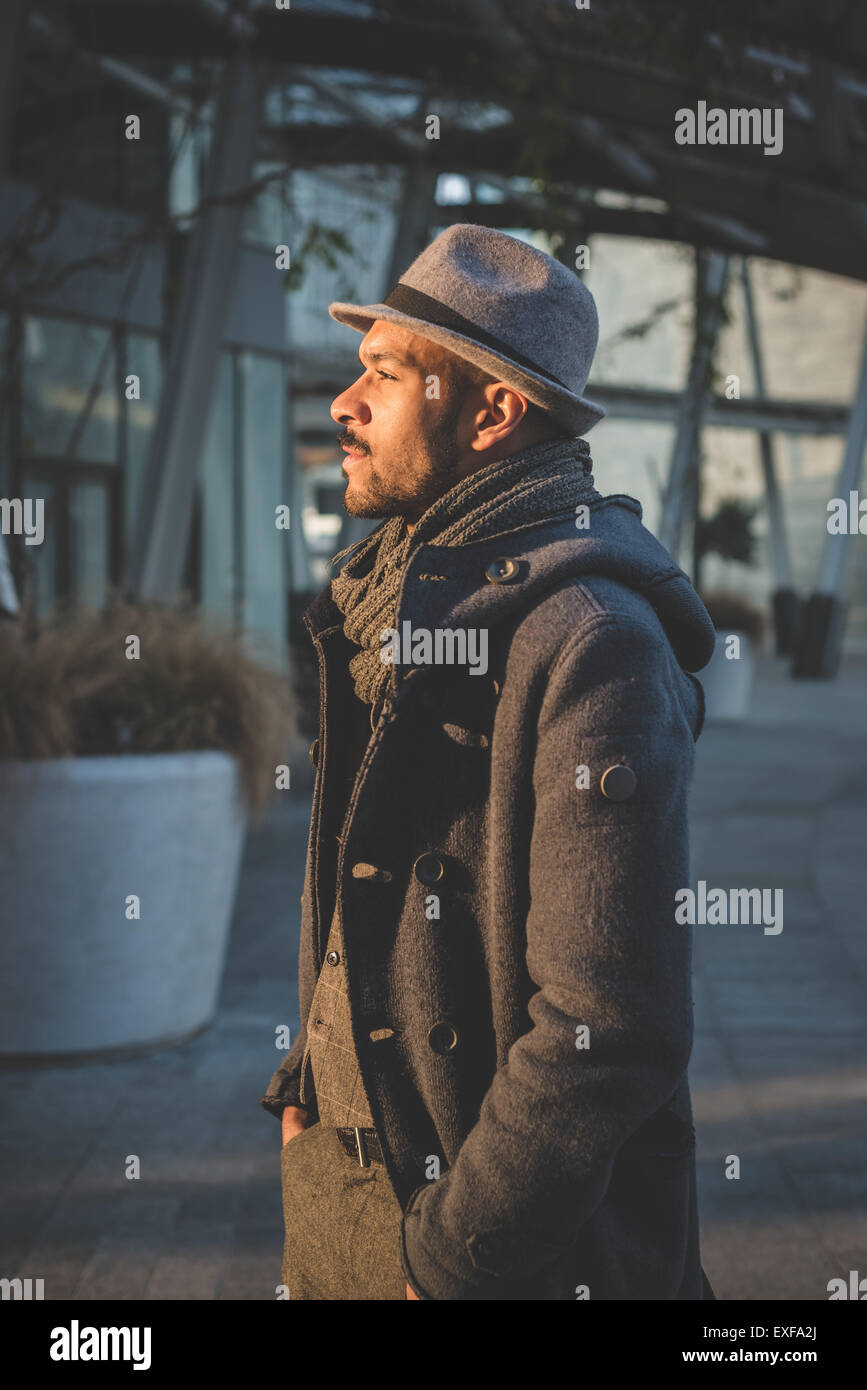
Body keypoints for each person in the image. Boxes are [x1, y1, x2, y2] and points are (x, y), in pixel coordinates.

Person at [261, 223, 717, 1301]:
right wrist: (305, 1088)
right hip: (338, 1217)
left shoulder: (590, 640)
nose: (345, 403)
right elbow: (357, 889)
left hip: (493, 1260)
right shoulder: (395, 603)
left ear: (495, 411)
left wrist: (456, 1260)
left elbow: (612, 1022)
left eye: (384, 373)